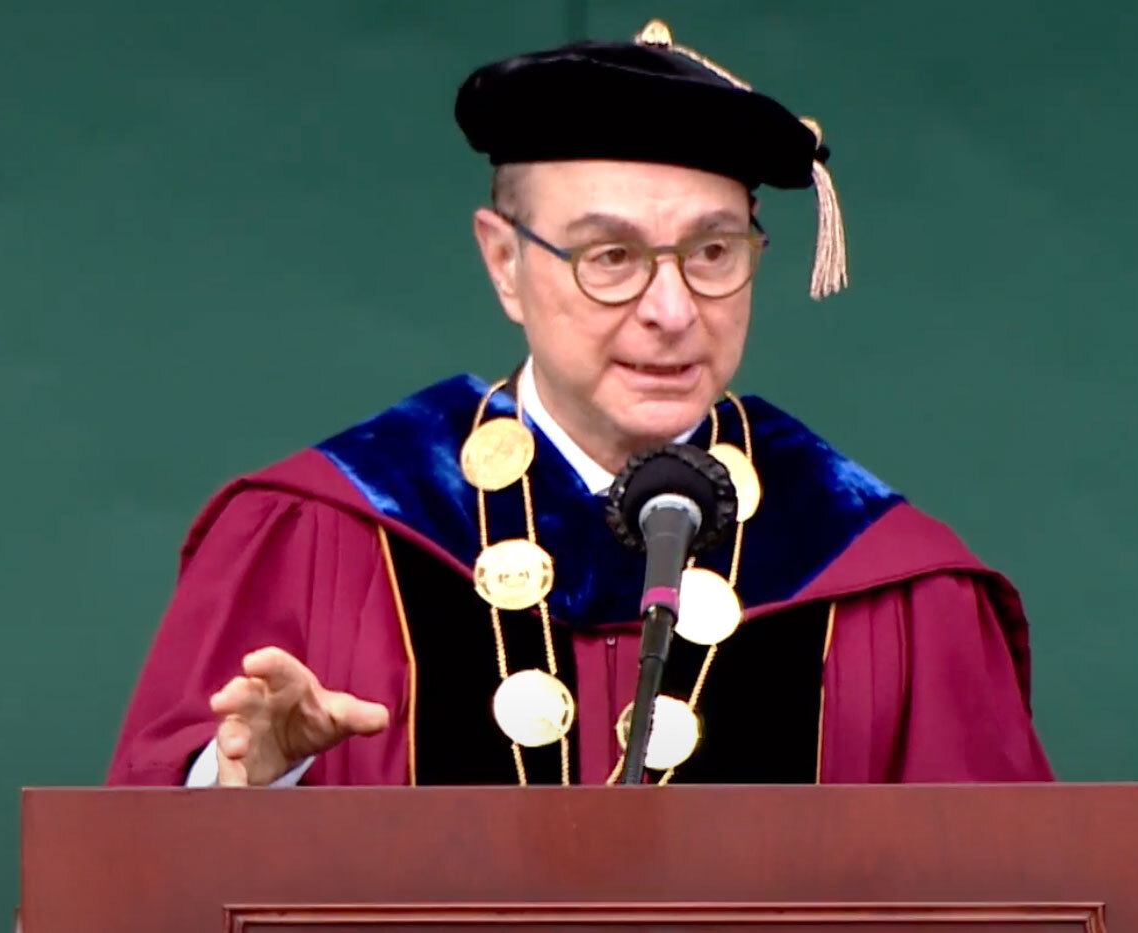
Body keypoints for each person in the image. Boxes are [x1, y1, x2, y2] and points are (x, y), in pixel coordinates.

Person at [106, 20, 1053, 788]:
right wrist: (238, 788)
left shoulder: (883, 577)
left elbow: (1010, 892)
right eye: (612, 259)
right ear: (504, 261)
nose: (674, 311)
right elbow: (135, 876)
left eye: (714, 253)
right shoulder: (324, 532)